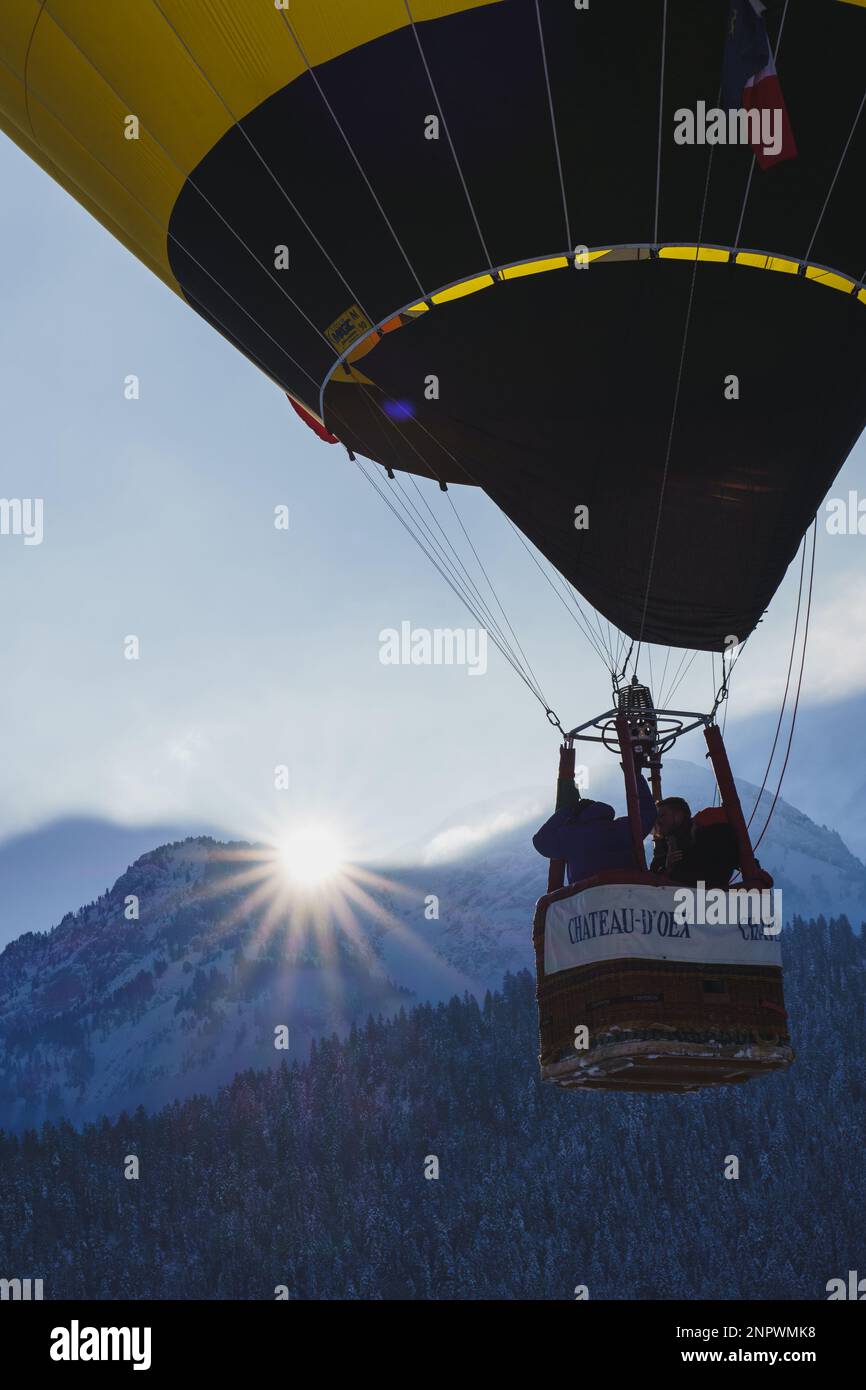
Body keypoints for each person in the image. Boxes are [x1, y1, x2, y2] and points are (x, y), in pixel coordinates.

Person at [532, 766, 656, 885]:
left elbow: (540, 841)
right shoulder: (622, 828)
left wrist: (566, 810)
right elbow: (649, 814)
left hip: (587, 899)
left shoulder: (570, 836)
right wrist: (637, 776)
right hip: (627, 894)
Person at [650, 797, 694, 881]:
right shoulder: (662, 846)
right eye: (656, 818)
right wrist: (667, 868)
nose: (658, 821)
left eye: (662, 815)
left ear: (678, 815)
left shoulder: (700, 833)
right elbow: (653, 878)